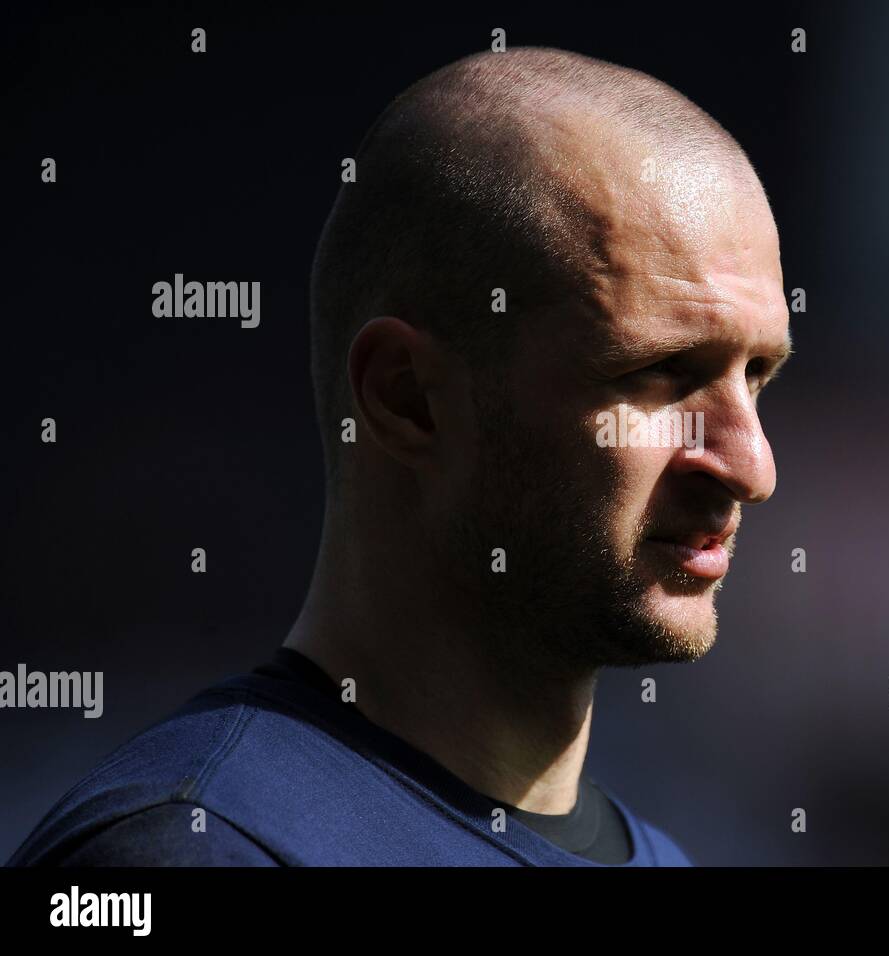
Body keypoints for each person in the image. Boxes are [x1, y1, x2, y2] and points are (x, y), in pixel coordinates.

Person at [9, 46, 792, 867]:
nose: (751, 466)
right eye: (660, 374)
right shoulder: (196, 849)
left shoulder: (667, 858)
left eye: (759, 373)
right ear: (407, 398)